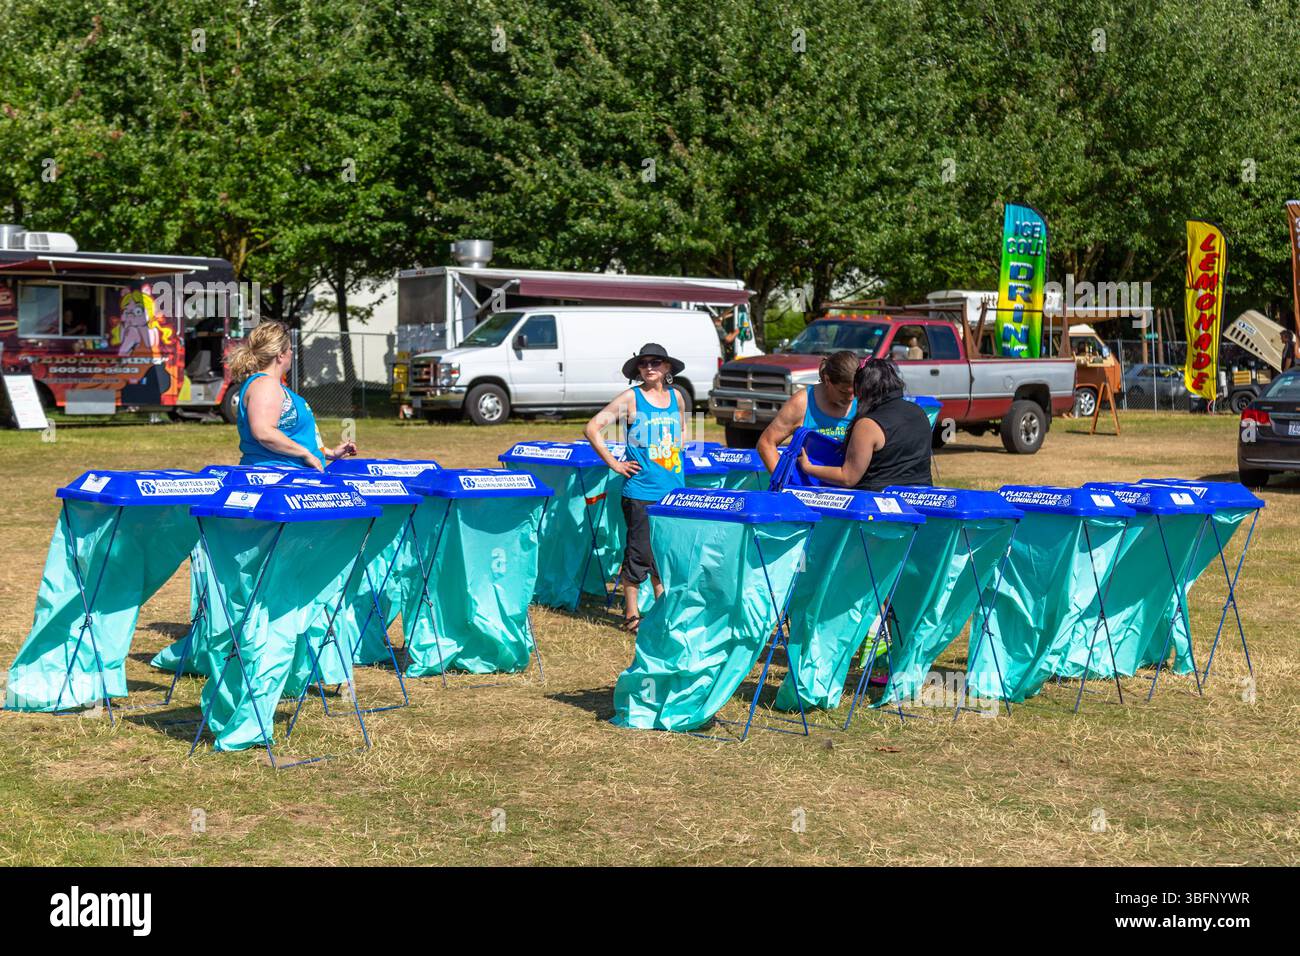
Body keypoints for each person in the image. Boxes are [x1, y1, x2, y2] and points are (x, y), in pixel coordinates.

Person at [584, 343, 686, 632]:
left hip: (673, 491)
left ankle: (663, 610)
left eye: (656, 362)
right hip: (641, 491)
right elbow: (592, 428)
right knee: (639, 552)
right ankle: (631, 615)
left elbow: (680, 433)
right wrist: (616, 465)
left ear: (667, 368)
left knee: (665, 553)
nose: (649, 367)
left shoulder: (677, 397)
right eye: (644, 363)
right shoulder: (632, 397)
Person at [227, 321, 357, 470]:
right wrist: (305, 454)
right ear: (280, 355)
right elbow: (263, 432)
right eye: (290, 349)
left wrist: (330, 453)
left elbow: (291, 436)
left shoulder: (270, 385)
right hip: (276, 479)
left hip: (286, 477)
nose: (292, 353)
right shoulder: (265, 385)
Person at [798, 358, 932, 491]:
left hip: (879, 502)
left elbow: (848, 477)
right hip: (921, 496)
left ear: (864, 389)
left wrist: (808, 468)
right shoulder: (919, 412)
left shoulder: (868, 425)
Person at [756, 350, 859, 473]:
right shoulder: (802, 403)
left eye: (855, 391)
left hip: (847, 488)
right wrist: (787, 482)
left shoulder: (863, 401)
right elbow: (766, 443)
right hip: (807, 488)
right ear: (827, 380)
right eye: (843, 392)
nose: (851, 398)